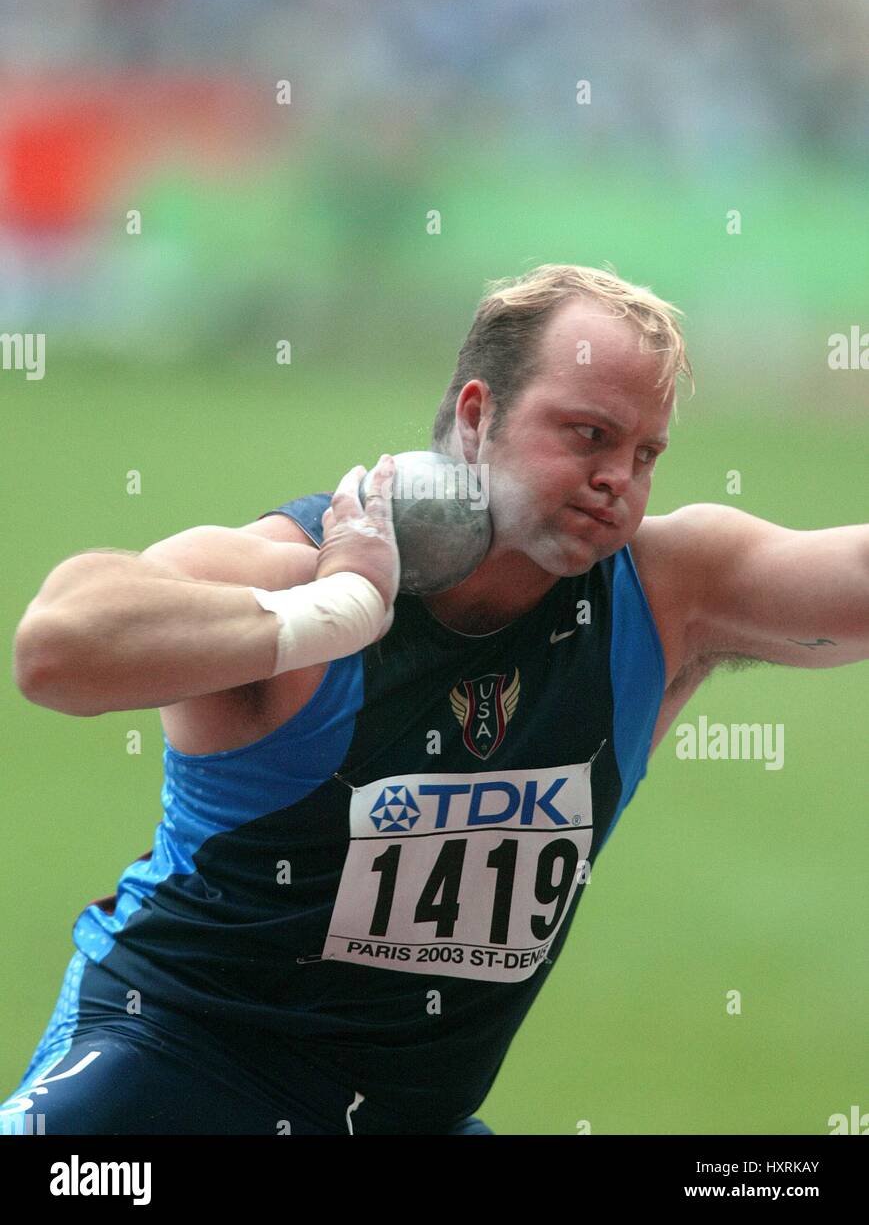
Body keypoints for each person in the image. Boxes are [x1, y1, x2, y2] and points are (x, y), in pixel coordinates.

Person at [3, 264, 866, 1135]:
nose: (619, 481)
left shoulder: (666, 593)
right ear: (476, 414)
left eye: (644, 455)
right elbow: (56, 645)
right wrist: (332, 611)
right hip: (166, 1073)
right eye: (587, 434)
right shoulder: (305, 565)